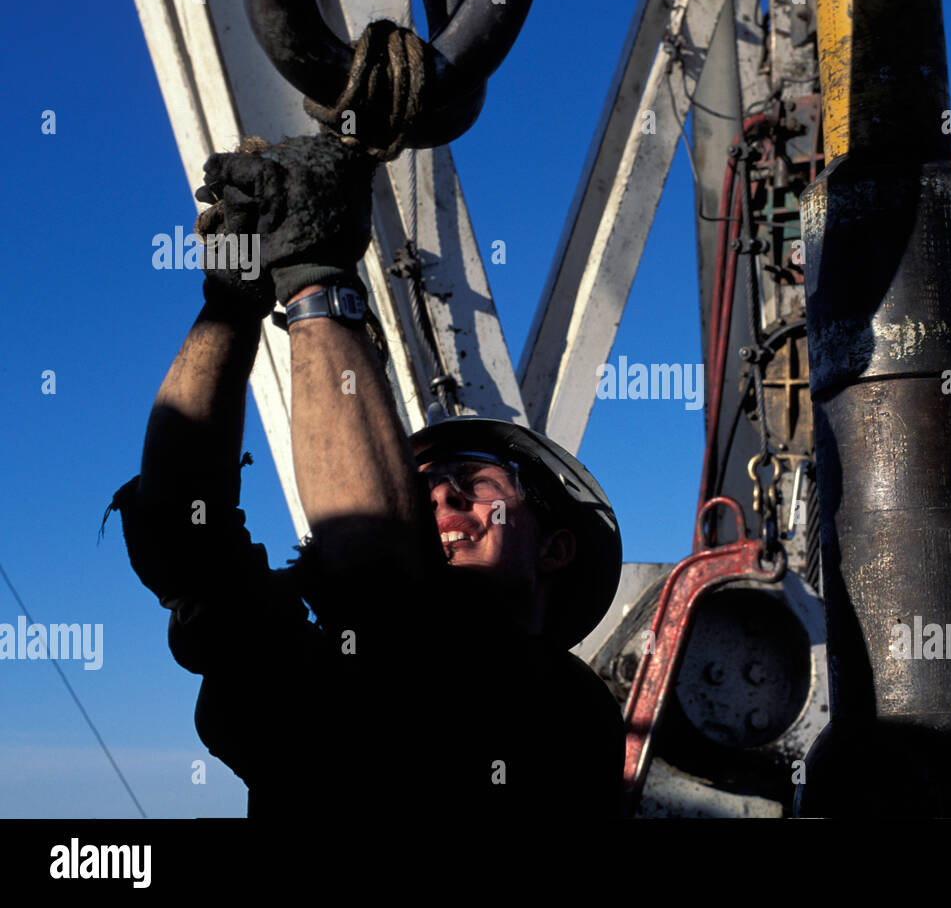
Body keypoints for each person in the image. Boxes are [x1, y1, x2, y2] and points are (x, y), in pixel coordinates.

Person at [106, 134, 625, 820]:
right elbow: (181, 540)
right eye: (420, 484)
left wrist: (317, 279)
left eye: (477, 481)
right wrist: (232, 302)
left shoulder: (564, 710)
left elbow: (382, 576)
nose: (441, 492)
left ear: (557, 548)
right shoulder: (320, 672)